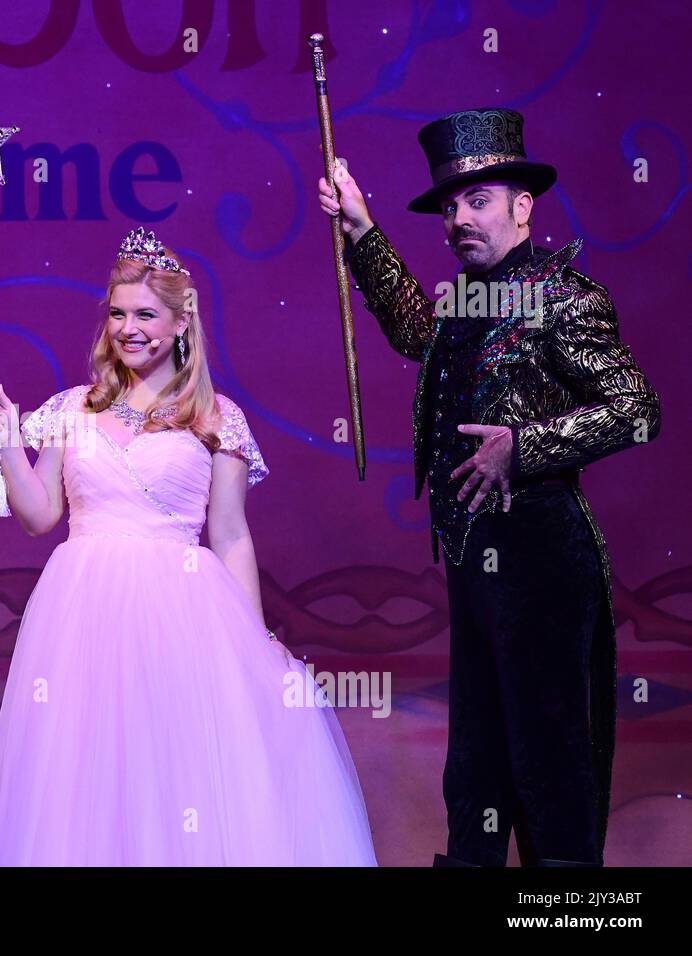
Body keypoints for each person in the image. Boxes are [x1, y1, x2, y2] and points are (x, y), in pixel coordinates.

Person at [0, 227, 377, 866]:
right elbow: (39, 517)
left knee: (177, 767)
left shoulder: (216, 419)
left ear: (182, 322)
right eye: (118, 313)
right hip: (82, 616)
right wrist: (9, 442)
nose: (128, 328)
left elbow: (231, 533)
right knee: (85, 771)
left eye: (145, 314)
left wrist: (253, 635)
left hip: (181, 613)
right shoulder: (71, 410)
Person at [317, 108, 661, 866]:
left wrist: (526, 448)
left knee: (549, 768)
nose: (458, 218)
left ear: (522, 207)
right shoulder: (471, 301)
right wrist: (362, 231)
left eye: (477, 200)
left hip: (543, 559)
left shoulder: (564, 296)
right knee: (477, 772)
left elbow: (639, 411)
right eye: (448, 204)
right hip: (479, 570)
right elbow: (415, 326)